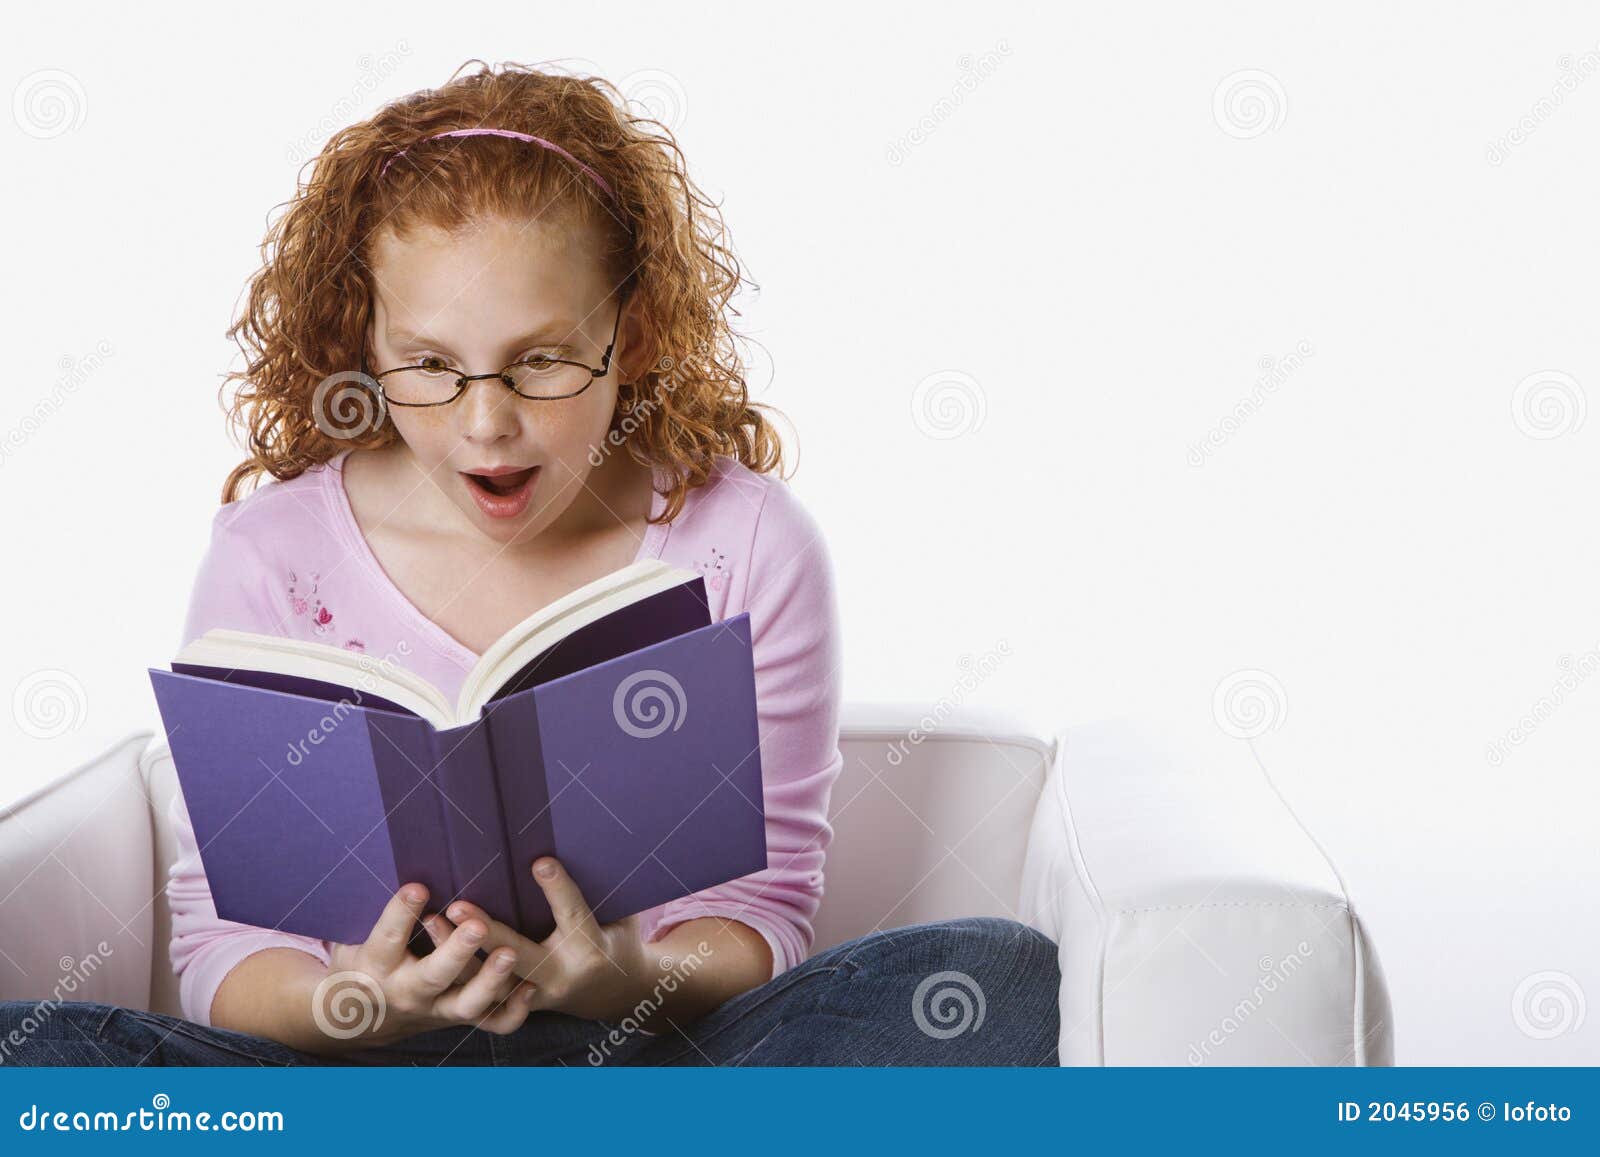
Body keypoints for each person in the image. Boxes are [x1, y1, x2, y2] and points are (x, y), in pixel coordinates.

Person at [0, 59, 1060, 1067]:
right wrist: (355, 1001)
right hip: (360, 1073)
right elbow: (222, 950)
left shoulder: (747, 542)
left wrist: (621, 976)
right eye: (427, 366)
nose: (486, 423)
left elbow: (761, 916)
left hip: (647, 1057)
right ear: (366, 344)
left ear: (631, 334)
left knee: (993, 977)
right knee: (34, 1049)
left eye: (540, 359)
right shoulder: (269, 554)